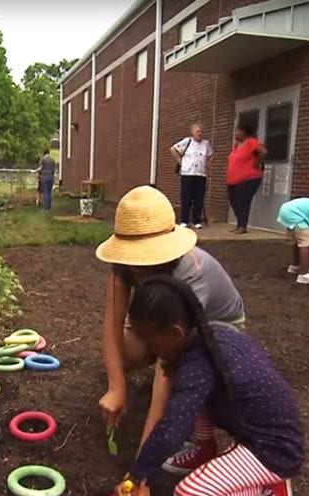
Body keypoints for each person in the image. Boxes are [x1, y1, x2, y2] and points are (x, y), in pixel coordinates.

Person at [110, 276, 304, 496]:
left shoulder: (199, 361)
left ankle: (269, 483)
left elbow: (173, 427)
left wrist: (137, 475)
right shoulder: (209, 337)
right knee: (189, 395)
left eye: (150, 340)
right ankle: (205, 449)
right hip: (253, 428)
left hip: (274, 450)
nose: (148, 349)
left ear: (176, 333)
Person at [95, 185, 246, 475]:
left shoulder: (191, 273)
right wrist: (116, 387)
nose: (137, 267)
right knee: (126, 352)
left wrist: (142, 465)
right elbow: (112, 321)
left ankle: (199, 432)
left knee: (186, 371)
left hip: (218, 327)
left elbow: (168, 360)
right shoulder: (122, 263)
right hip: (163, 324)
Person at [170, 123, 213, 229]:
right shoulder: (187, 141)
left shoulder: (206, 144)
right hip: (188, 174)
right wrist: (180, 162)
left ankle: (196, 220)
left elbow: (211, 155)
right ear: (193, 132)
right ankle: (184, 220)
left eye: (201, 131)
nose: (200, 133)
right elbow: (173, 149)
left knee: (199, 198)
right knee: (186, 197)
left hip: (200, 174)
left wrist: (207, 165)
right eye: (198, 131)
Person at [226, 124, 266, 234]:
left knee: (243, 201)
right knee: (234, 202)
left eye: (237, 131)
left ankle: (242, 226)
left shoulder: (251, 142)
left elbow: (263, 152)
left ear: (244, 132)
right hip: (233, 180)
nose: (236, 133)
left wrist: (256, 163)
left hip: (249, 178)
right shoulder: (236, 145)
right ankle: (239, 224)